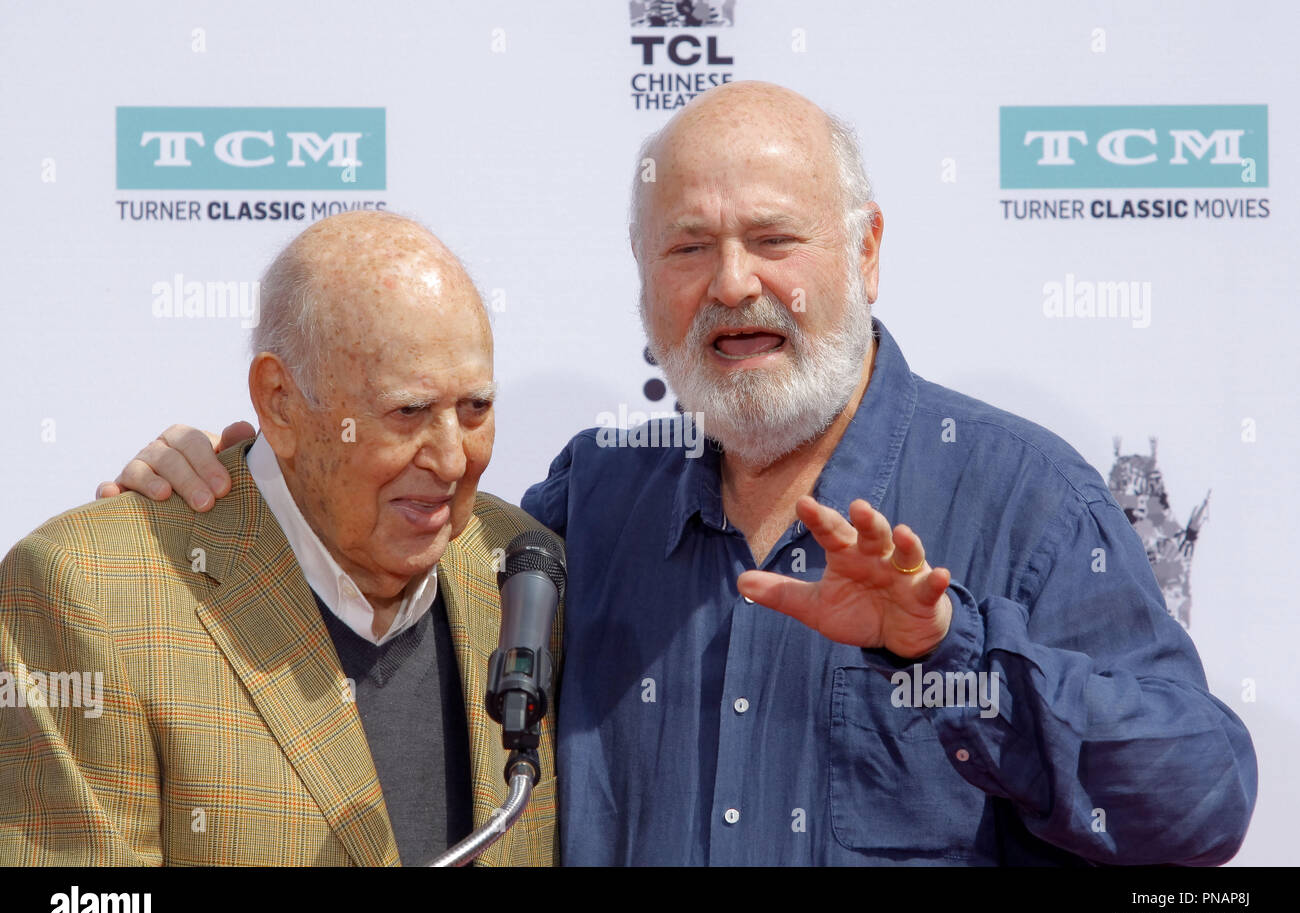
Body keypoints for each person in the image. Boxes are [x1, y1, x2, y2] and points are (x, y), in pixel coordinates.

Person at [97, 82, 1257, 866]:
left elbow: (1202, 800)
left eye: (775, 238)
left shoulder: (1023, 498)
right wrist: (248, 488)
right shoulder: (584, 506)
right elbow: (378, 576)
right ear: (645, 287)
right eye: (688, 249)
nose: (732, 283)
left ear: (864, 252)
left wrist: (945, 647)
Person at [0, 211, 561, 866]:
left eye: (475, 408)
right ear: (280, 402)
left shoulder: (523, 572)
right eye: (407, 411)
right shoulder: (91, 594)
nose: (451, 458)